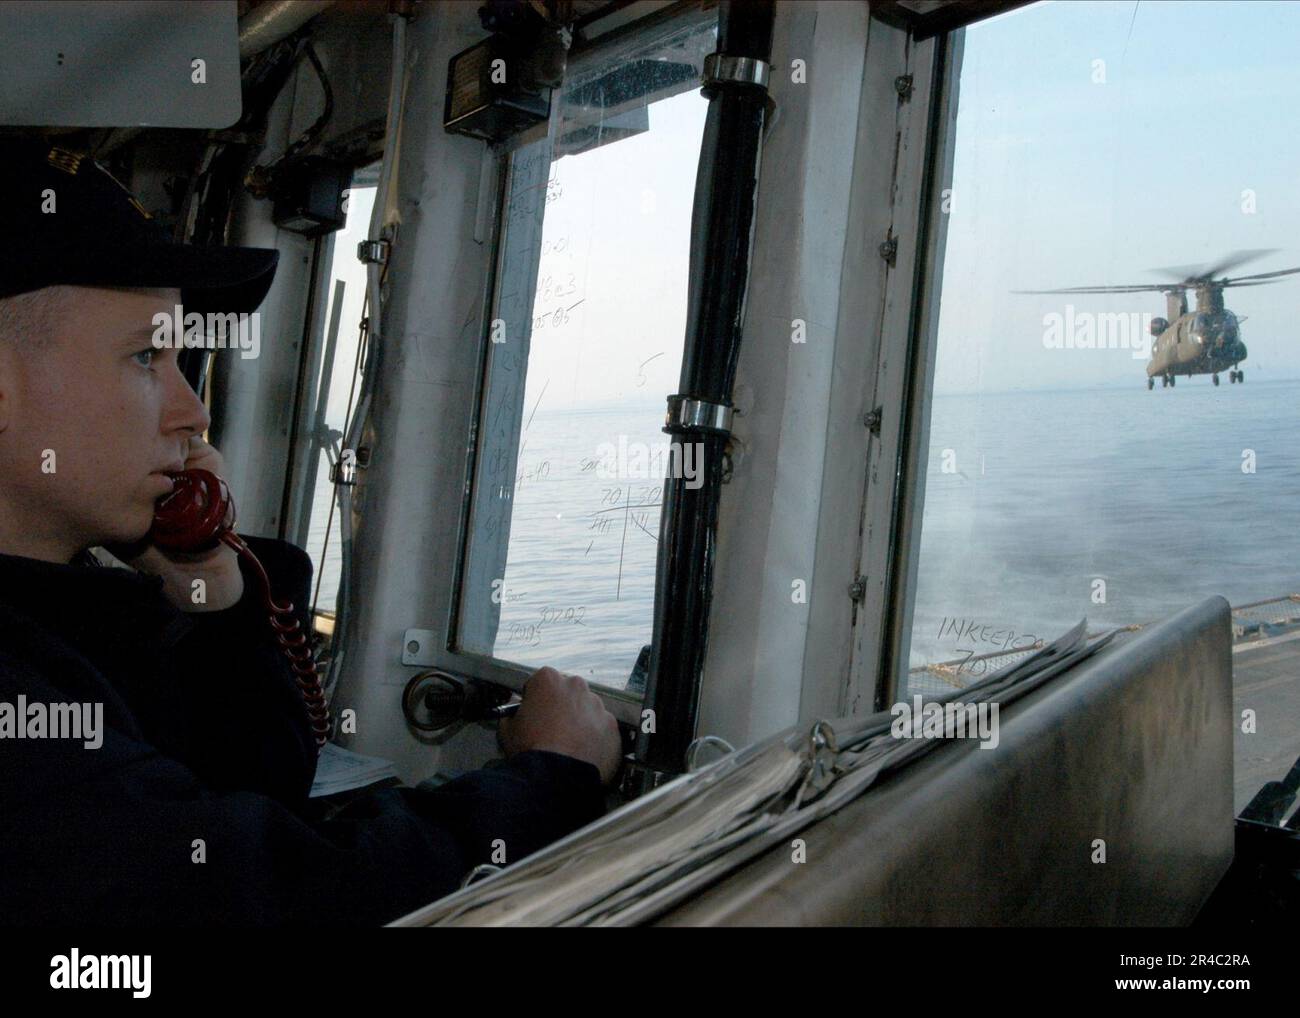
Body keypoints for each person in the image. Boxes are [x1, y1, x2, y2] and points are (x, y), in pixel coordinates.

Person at [0, 140, 623, 925]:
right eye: (145, 357)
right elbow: (298, 900)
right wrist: (552, 775)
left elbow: (241, 799)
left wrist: (211, 585)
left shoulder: (56, 628)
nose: (191, 412)